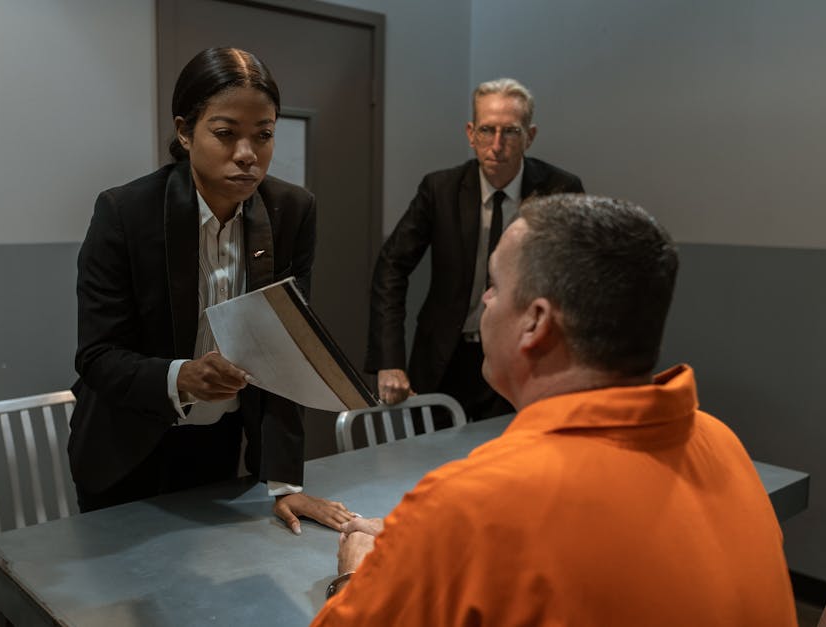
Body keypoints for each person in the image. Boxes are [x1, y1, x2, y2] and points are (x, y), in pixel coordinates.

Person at [312, 195, 799, 626]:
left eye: (495, 286)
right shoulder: (719, 440)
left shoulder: (471, 504)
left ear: (536, 322)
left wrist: (358, 572)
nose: (484, 299)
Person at [68, 47, 352, 534]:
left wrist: (285, 483)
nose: (247, 154)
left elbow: (283, 352)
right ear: (185, 131)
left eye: (263, 136)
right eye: (225, 134)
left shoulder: (291, 211)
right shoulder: (125, 213)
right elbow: (97, 355)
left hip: (218, 443)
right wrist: (181, 377)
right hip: (126, 445)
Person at [365, 78, 585, 420]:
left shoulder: (559, 188)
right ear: (471, 134)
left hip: (523, 355)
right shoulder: (440, 189)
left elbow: (576, 279)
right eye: (486, 130)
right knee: (432, 464)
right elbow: (391, 266)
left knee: (513, 462)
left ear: (530, 136)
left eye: (510, 132)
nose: (497, 145)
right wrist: (389, 360)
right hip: (445, 356)